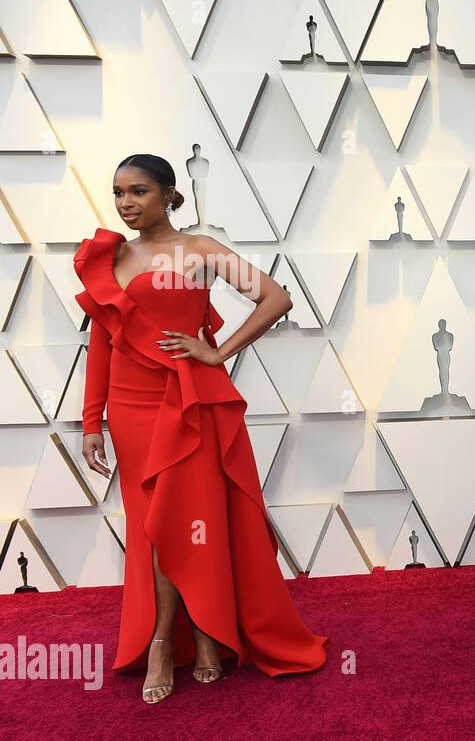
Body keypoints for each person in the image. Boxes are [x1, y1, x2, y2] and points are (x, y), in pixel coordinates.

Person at [75, 154, 329, 702]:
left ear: (170, 195)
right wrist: (91, 419)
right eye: (118, 192)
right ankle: (173, 642)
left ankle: (199, 636)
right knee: (152, 524)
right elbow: (103, 341)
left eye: (138, 191)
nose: (125, 203)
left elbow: (276, 298)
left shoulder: (199, 251)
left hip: (186, 401)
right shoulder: (109, 256)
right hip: (128, 406)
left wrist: (219, 355)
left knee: (190, 516)